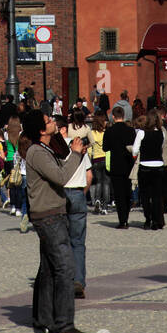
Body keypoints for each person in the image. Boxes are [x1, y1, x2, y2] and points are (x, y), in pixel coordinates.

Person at [22, 108, 89, 333]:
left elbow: (59, 168)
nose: (53, 122)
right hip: (48, 215)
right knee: (65, 268)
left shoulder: (45, 149)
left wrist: (73, 153)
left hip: (52, 213)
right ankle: (63, 324)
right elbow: (61, 177)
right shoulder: (37, 152)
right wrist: (76, 155)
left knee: (49, 268)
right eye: (48, 120)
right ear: (41, 130)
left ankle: (43, 319)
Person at [63, 112, 93, 297]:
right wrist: (82, 193)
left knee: (61, 241)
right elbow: (89, 175)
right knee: (78, 242)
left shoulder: (53, 149)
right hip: (77, 192)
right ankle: (78, 280)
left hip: (60, 194)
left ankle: (63, 280)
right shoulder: (79, 147)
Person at [130, 108, 167, 231]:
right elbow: (161, 147)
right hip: (158, 165)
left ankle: (148, 218)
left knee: (145, 195)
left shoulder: (141, 133)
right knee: (157, 195)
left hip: (145, 165)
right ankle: (156, 220)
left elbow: (135, 150)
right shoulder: (161, 133)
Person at [103, 106, 137, 228]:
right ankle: (126, 217)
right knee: (127, 192)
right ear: (123, 116)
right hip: (128, 164)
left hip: (115, 164)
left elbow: (105, 148)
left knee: (118, 194)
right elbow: (134, 147)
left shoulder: (109, 131)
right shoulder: (131, 130)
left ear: (113, 117)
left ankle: (122, 220)